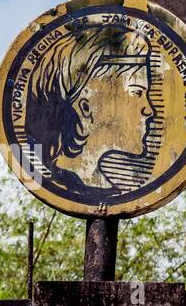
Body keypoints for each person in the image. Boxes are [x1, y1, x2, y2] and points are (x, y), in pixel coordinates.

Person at [23, 23, 155, 197]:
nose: (149, 110)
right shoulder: (64, 183)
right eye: (136, 92)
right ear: (86, 107)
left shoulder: (105, 190)